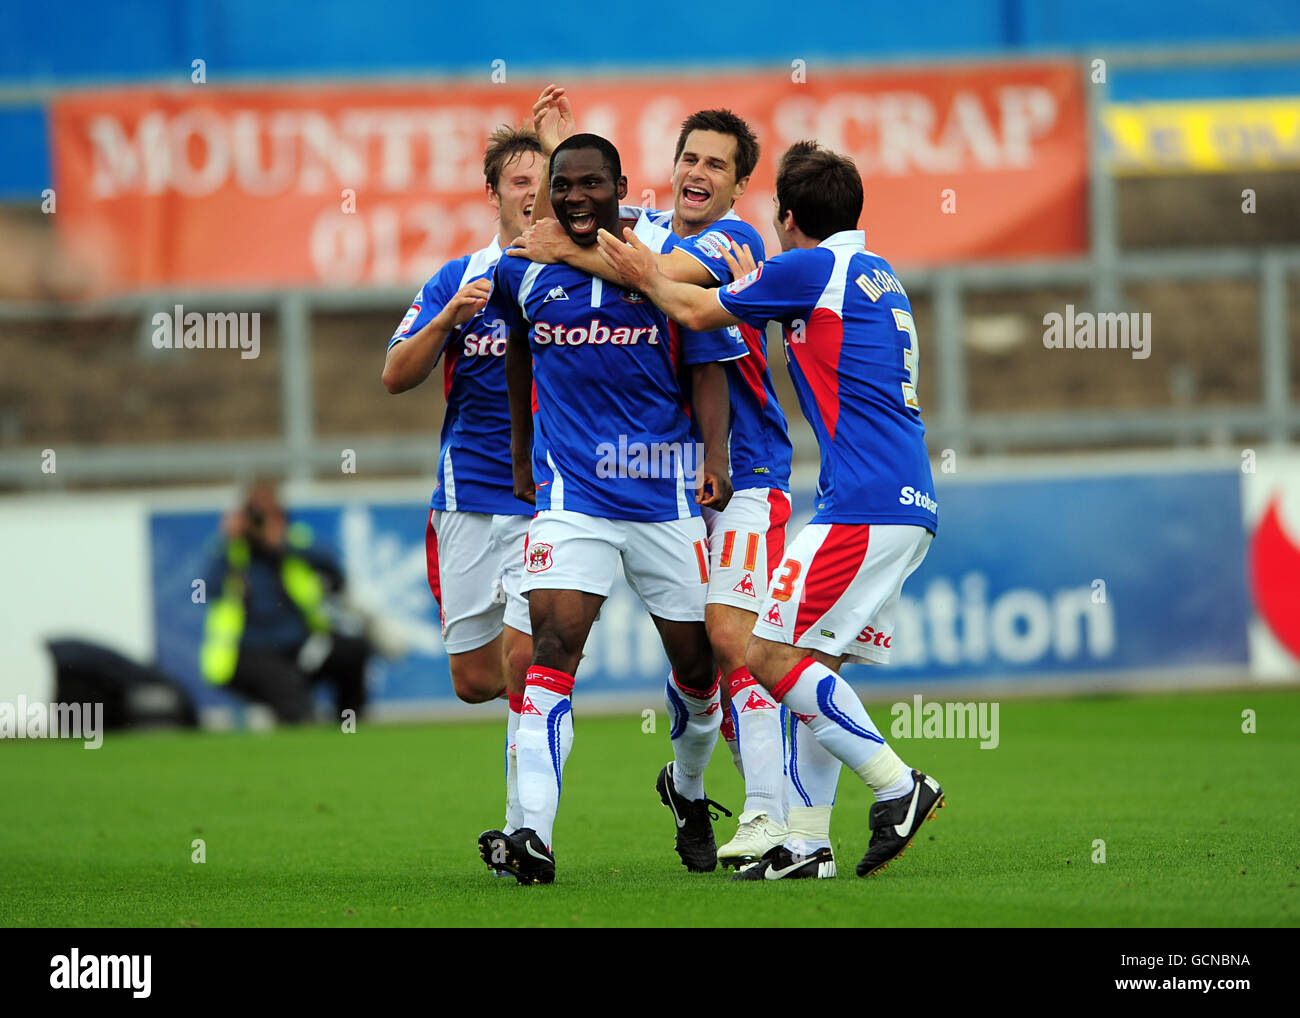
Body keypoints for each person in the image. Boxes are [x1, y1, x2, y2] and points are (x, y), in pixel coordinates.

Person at [597, 139, 945, 881]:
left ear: (787, 216)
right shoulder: (878, 273)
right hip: (902, 500)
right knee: (814, 668)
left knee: (765, 654)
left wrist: (637, 272)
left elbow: (694, 308)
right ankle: (807, 844)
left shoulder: (809, 266)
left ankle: (897, 783)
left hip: (863, 504)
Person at [511, 92, 797, 871]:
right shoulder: (648, 221)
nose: (699, 173)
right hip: (653, 481)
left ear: (740, 188)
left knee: (729, 649)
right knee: (701, 657)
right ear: (668, 170)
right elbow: (590, 191)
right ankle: (722, 803)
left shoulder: (734, 241)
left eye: (718, 164)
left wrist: (564, 246)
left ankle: (772, 813)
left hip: (739, 471)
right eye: (690, 158)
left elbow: (644, 268)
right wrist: (554, 141)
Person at [479, 132, 744, 884]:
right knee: (550, 647)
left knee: (699, 671)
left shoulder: (653, 259)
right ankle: (532, 835)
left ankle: (688, 792)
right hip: (574, 497)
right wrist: (525, 454)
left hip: (663, 493)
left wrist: (715, 462)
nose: (574, 198)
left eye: (591, 184)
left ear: (622, 186)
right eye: (563, 186)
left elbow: (707, 364)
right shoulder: (521, 270)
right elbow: (521, 352)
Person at [382, 125, 542, 849]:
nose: (535, 193)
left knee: (527, 661)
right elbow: (395, 375)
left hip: (550, 500)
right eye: (520, 181)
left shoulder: (579, 278)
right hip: (468, 496)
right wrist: (449, 318)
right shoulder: (458, 279)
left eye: (548, 180)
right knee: (476, 679)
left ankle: (523, 828)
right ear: (494, 192)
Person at [200, 481, 371, 723]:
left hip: (300, 646)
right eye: (255, 514)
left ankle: (348, 726)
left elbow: (335, 576)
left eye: (268, 514)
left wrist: (282, 545)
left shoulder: (294, 541)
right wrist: (228, 540)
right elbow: (207, 591)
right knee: (294, 702)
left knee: (353, 651)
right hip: (249, 652)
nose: (260, 523)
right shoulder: (229, 551)